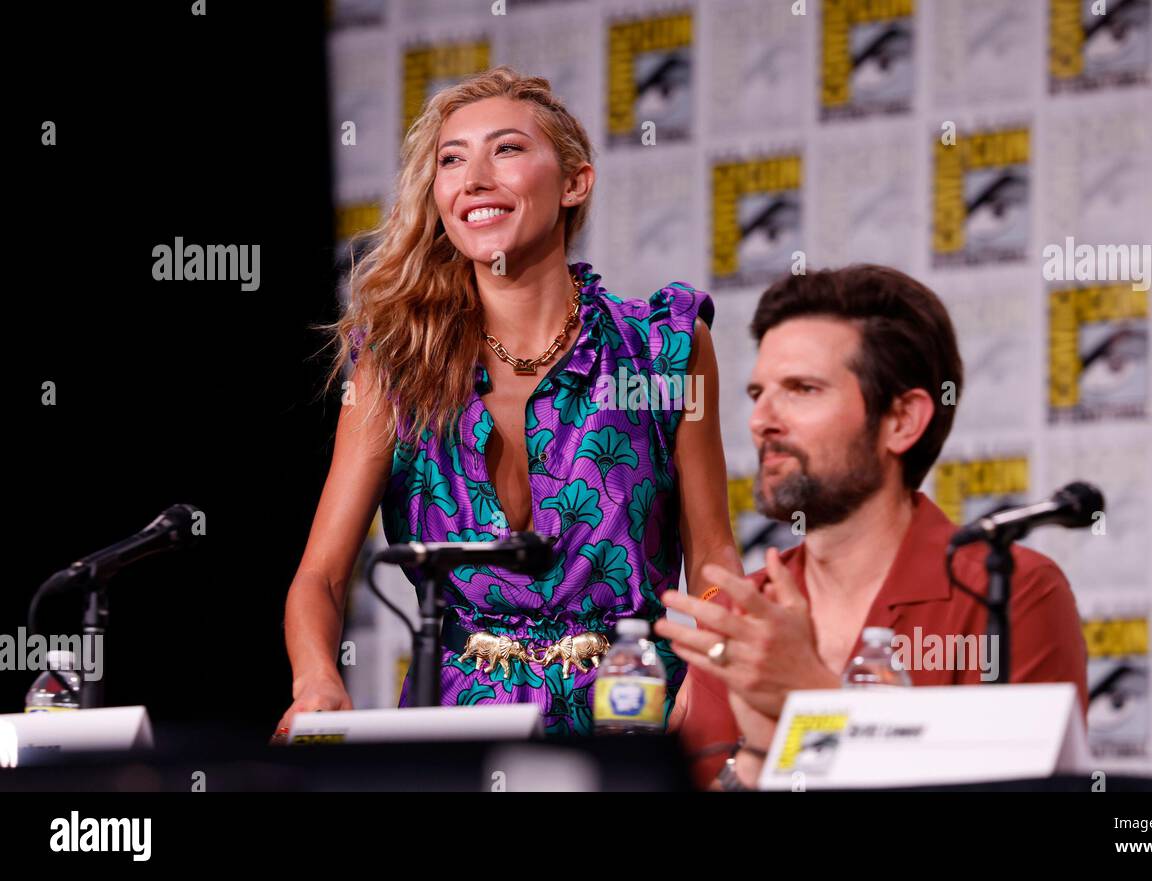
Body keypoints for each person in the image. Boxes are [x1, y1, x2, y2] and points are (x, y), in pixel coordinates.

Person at [275, 66, 741, 739]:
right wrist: (317, 678)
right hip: (456, 726)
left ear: (576, 181)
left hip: (633, 711)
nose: (475, 178)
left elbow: (715, 557)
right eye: (452, 160)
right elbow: (318, 576)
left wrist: (713, 669)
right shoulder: (395, 363)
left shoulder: (664, 346)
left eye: (508, 149)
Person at [655, 264, 1089, 789]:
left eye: (802, 389)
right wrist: (754, 763)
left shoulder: (1011, 590)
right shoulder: (742, 614)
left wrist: (813, 702)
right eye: (756, 393)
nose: (761, 420)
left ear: (903, 420)